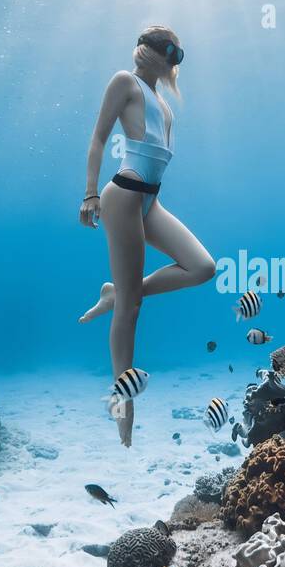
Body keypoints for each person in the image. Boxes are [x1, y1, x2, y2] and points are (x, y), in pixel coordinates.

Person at [79, 26, 216, 446]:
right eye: (148, 42)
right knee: (132, 312)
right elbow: (99, 138)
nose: (148, 49)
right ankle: (124, 402)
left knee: (203, 267)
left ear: (171, 57)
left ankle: (117, 293)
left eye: (166, 47)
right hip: (122, 196)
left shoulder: (164, 105)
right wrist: (89, 193)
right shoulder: (125, 82)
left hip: (150, 203)